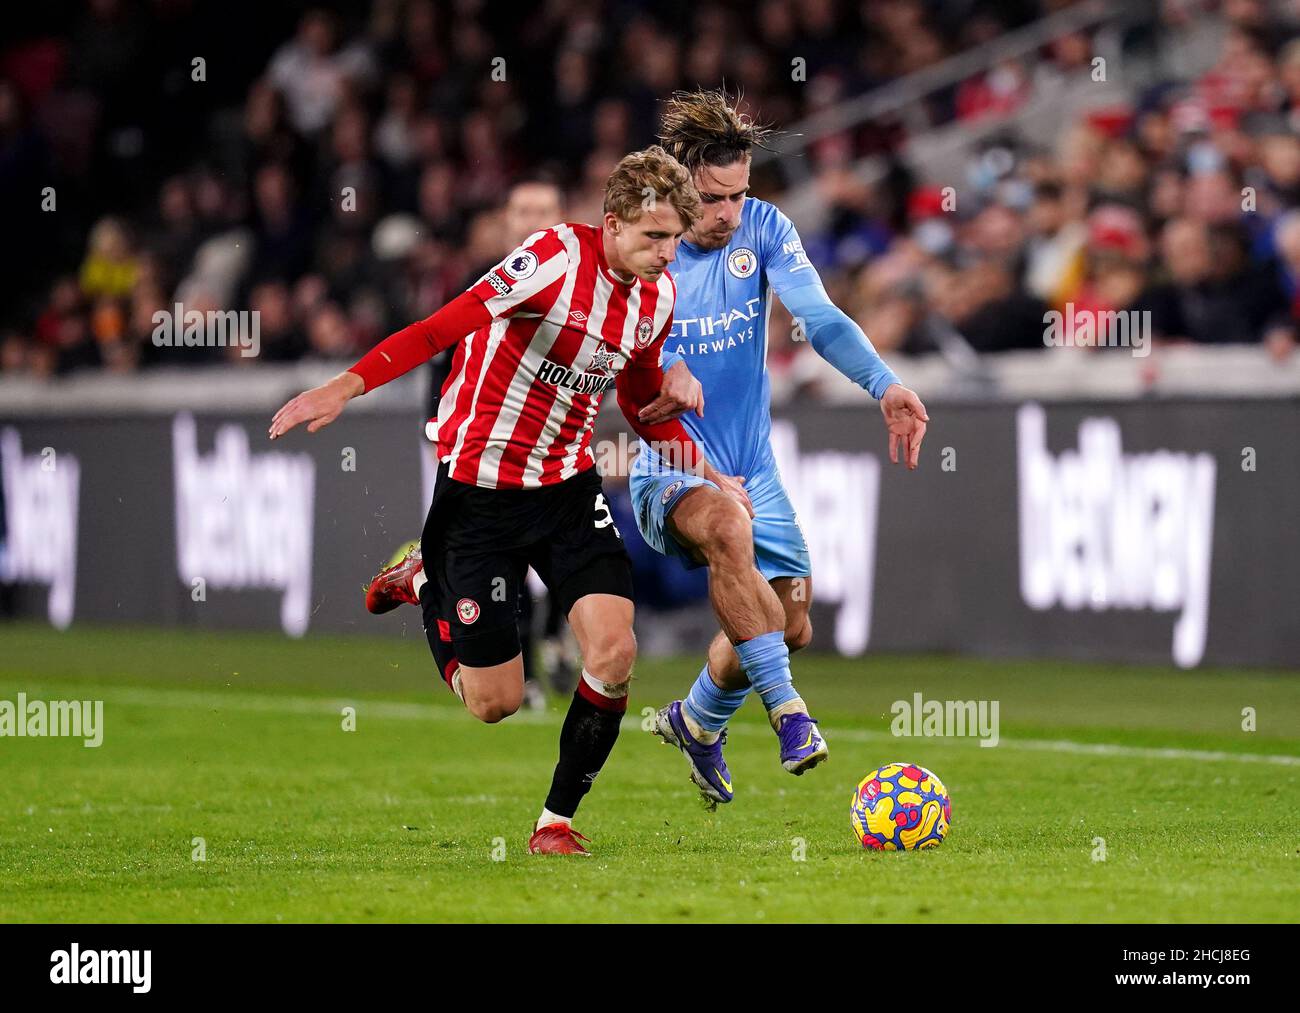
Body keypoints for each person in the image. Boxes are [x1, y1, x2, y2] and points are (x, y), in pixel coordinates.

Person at [269, 147, 750, 855]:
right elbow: (444, 325)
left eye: (675, 237)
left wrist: (705, 464)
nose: (666, 251)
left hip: (565, 488)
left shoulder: (657, 297)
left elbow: (639, 400)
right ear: (611, 223)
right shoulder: (551, 259)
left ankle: (554, 821)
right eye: (653, 236)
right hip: (480, 494)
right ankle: (427, 579)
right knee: (491, 703)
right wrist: (347, 384)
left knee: (615, 650)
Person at [629, 90, 929, 804]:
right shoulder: (642, 250)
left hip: (751, 467)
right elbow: (606, 353)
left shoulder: (762, 229)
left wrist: (884, 384)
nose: (727, 212)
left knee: (790, 622)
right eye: (711, 198)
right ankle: (791, 718)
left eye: (738, 194)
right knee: (728, 532)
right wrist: (653, 375)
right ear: (675, 186)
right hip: (671, 462)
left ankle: (697, 720)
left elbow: (818, 316)